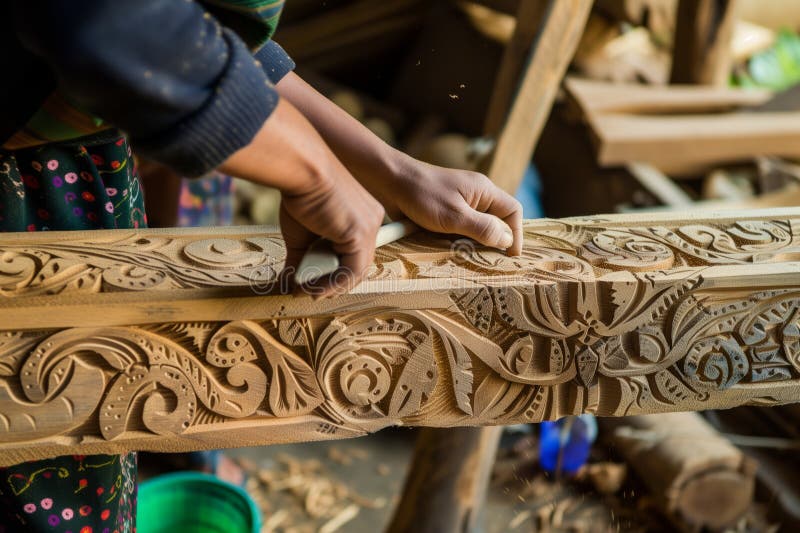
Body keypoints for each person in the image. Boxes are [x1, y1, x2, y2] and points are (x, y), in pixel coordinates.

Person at [0, 1, 523, 530]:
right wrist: (314, 172)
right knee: (44, 436)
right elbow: (111, 22)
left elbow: (206, 33)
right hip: (19, 193)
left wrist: (393, 171)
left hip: (76, 162)